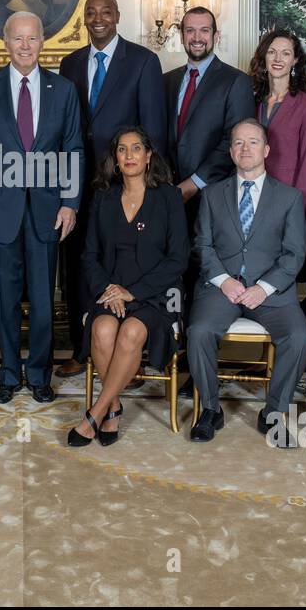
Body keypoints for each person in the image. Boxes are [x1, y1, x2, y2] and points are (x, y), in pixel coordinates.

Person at [0, 11, 83, 404]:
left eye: (32, 38)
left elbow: (74, 151)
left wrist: (70, 203)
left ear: (43, 41)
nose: (25, 45)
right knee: (5, 298)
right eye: (18, 38)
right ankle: (10, 374)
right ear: (6, 41)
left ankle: (40, 375)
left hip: (48, 211)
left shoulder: (62, 89)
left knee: (45, 301)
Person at [56, 0, 167, 378]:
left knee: (124, 261)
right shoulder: (69, 63)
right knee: (77, 266)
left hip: (124, 187)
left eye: (105, 12)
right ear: (82, 19)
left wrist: (146, 189)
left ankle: (126, 349)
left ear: (118, 16)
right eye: (91, 12)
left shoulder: (142, 61)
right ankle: (80, 347)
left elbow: (152, 131)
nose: (98, 18)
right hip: (77, 185)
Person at [185, 120, 306, 446]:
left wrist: (264, 288)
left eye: (253, 142)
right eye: (238, 143)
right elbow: (202, 245)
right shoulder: (212, 195)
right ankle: (211, 409)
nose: (245, 149)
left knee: (298, 338)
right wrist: (224, 280)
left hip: (270, 291)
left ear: (266, 150)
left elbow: (295, 254)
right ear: (230, 151)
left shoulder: (290, 198)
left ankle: (272, 411)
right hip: (222, 288)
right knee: (198, 332)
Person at [68, 127, 187, 446]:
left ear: (149, 156)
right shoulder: (103, 199)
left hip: (154, 296)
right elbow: (89, 254)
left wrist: (132, 292)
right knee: (103, 331)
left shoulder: (169, 197)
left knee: (131, 332)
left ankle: (95, 412)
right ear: (116, 159)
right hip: (109, 291)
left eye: (137, 149)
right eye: (123, 150)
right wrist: (110, 289)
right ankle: (114, 405)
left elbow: (178, 259)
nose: (130, 155)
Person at [163, 6, 256, 336]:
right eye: (190, 30)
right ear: (181, 35)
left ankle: (195, 360)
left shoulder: (236, 81)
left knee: (204, 276)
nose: (197, 37)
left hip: (212, 196)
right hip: (169, 195)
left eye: (204, 30)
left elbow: (235, 142)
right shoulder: (168, 80)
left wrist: (192, 184)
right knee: (170, 272)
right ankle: (167, 352)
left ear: (216, 36)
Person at [248, 28, 306, 219]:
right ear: (264, 57)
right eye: (272, 52)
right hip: (251, 199)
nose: (278, 59)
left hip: (288, 202)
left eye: (286, 53)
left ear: (295, 60)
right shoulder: (253, 102)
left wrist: (298, 210)